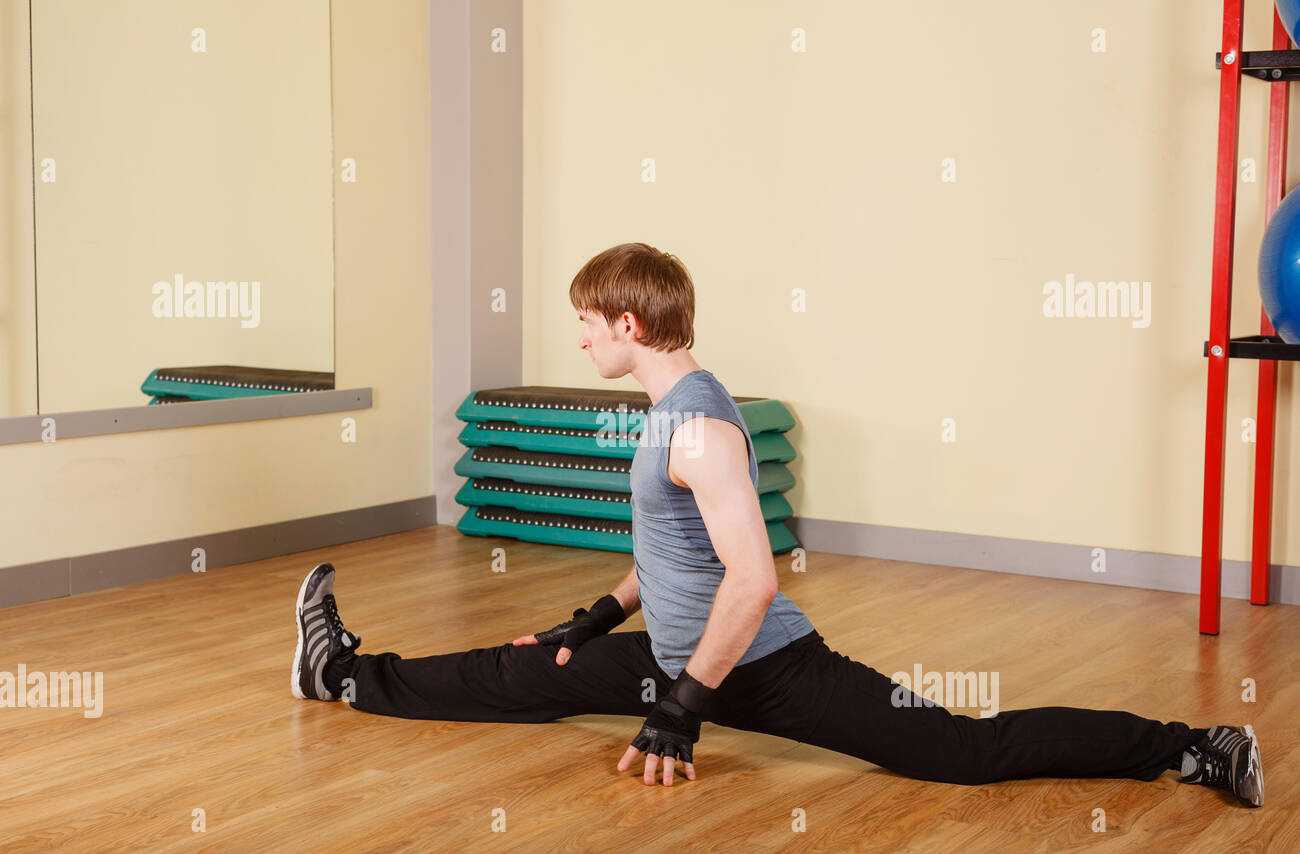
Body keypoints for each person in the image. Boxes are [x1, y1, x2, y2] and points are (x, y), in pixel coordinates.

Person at [289, 241, 1264, 806]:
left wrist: (680, 709)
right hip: (679, 650)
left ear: (631, 323)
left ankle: (1188, 744)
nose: (578, 332)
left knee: (962, 754)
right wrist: (592, 618)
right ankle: (338, 670)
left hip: (763, 665)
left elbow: (751, 581)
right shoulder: (669, 413)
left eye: (588, 318)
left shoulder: (700, 427)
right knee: (523, 673)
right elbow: (671, 551)